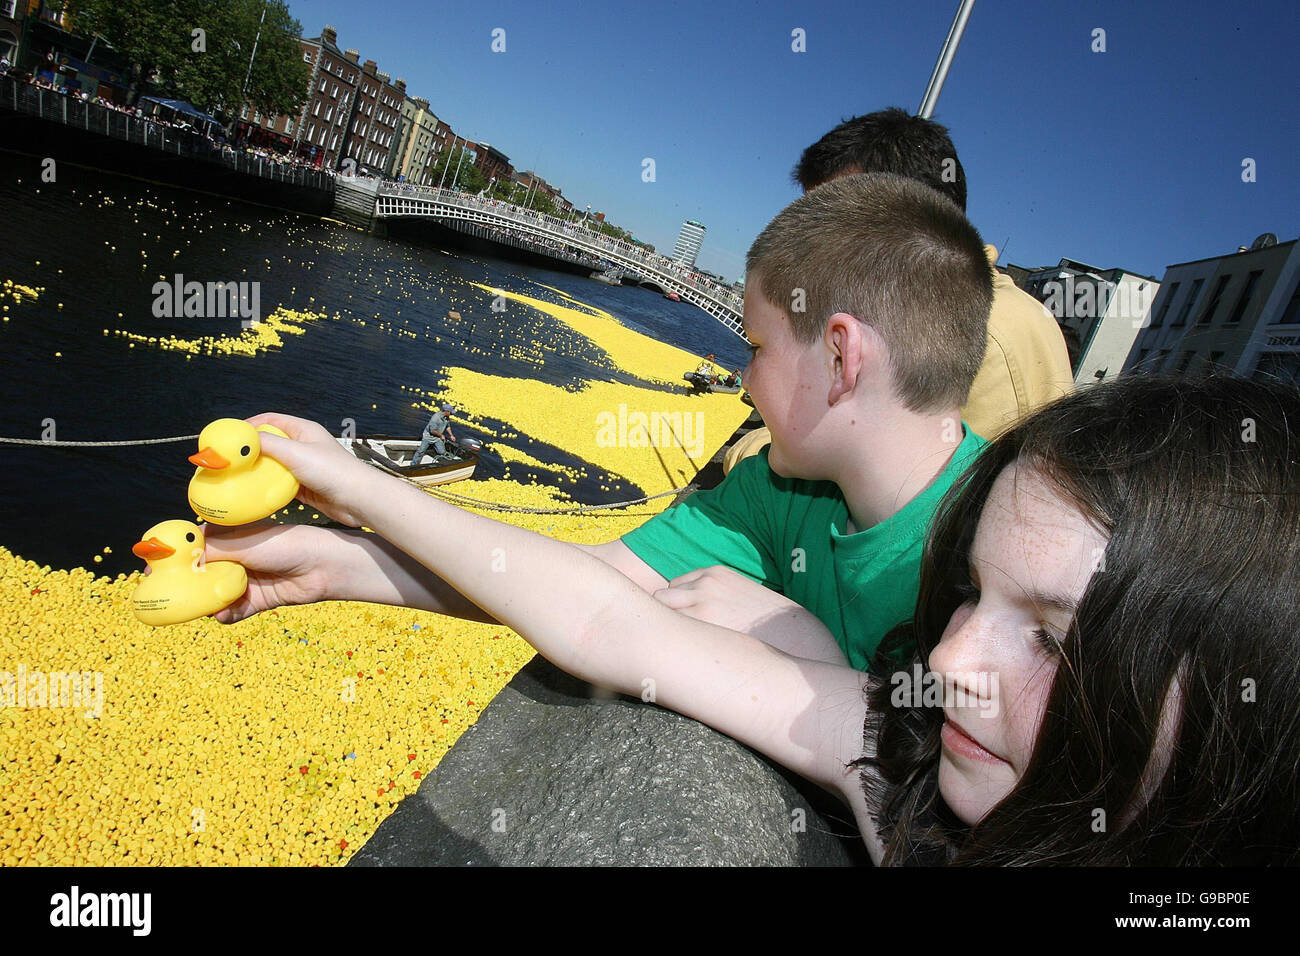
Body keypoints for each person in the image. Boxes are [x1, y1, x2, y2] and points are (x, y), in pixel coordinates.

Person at [205, 372, 1300, 864]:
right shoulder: (926, 785)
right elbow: (617, 626)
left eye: (1050, 636)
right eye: (968, 591)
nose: (949, 656)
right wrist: (352, 515)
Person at [206, 173, 994, 677]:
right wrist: (334, 560)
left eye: (755, 348)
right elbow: (581, 587)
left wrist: (820, 672)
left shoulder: (995, 560)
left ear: (840, 356)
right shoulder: (775, 490)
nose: (745, 381)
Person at [725, 107, 1074, 475]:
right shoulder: (951, 308)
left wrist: (759, 448)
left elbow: (914, 505)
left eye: (835, 224)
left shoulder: (981, 331)